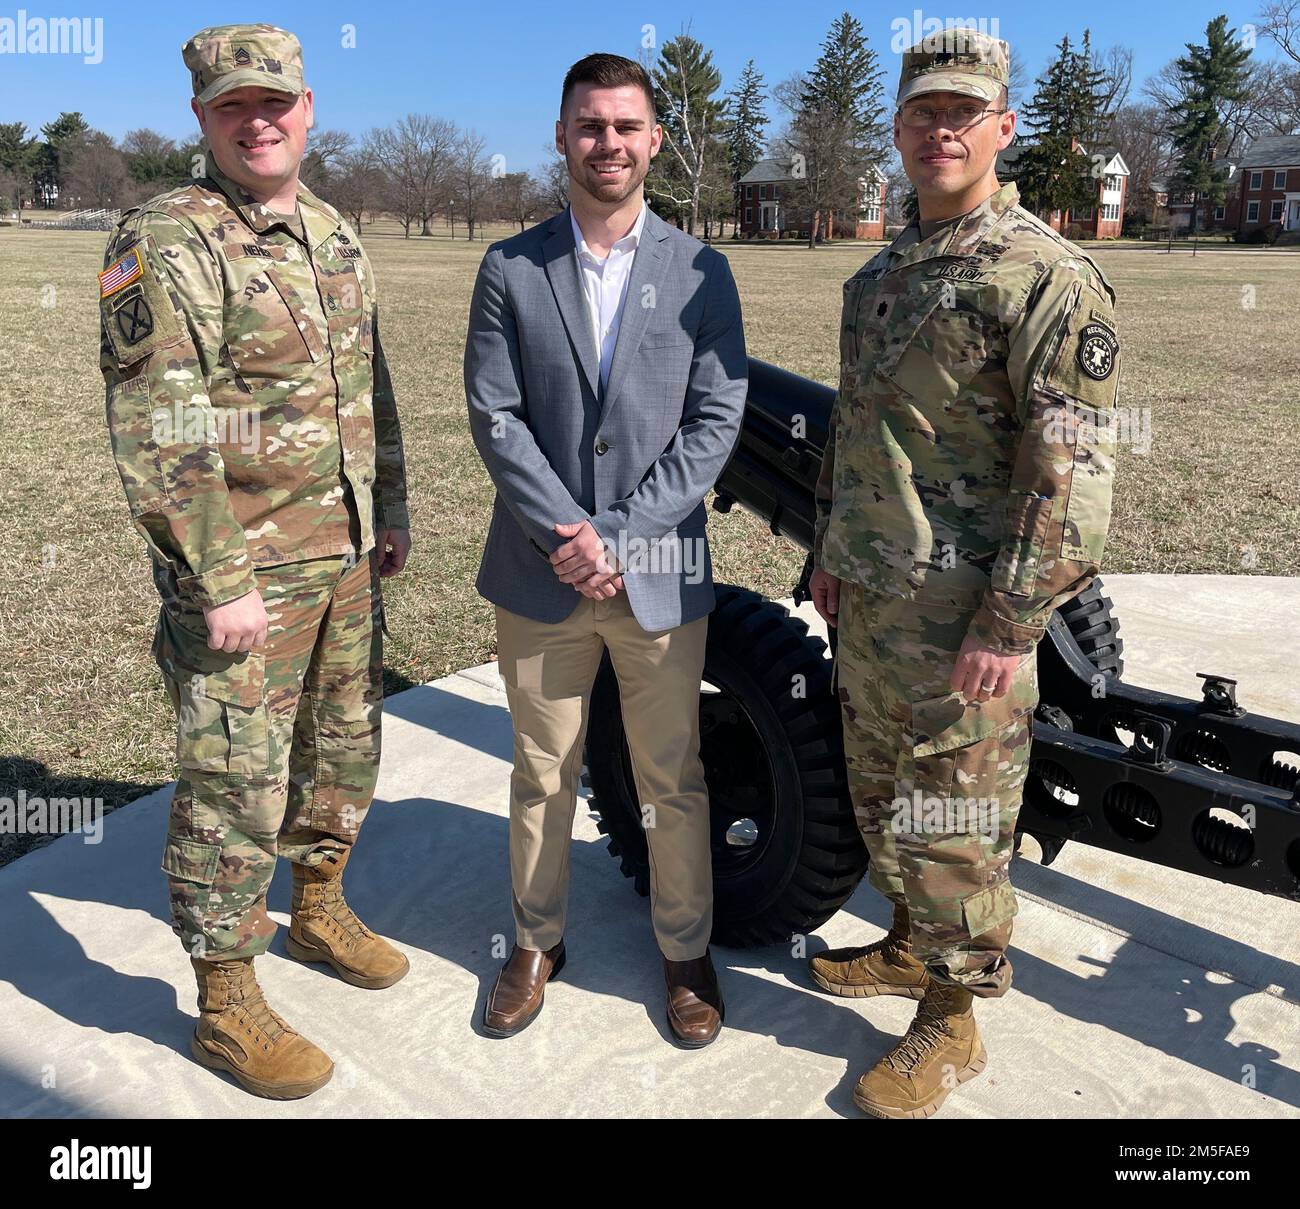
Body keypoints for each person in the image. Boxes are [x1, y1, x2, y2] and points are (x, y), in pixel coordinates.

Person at [806, 29, 1120, 1118]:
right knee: (889, 805)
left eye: (962, 113)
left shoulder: (1042, 274)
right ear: (896, 130)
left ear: (1002, 127)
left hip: (967, 623)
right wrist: (829, 556)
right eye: (921, 113)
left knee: (956, 824)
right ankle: (908, 949)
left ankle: (951, 1021)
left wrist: (1009, 621)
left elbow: (1069, 475)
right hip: (877, 607)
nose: (941, 130)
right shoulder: (879, 275)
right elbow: (855, 433)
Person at [98, 23, 410, 1099]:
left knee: (343, 747)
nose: (259, 120)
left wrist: (392, 509)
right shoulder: (165, 237)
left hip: (346, 554)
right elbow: (157, 426)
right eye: (234, 106)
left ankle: (316, 907)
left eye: (275, 101)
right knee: (234, 779)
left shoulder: (330, 230)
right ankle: (224, 999)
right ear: (203, 119)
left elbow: (369, 382)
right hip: (247, 578)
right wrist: (216, 578)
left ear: (308, 108)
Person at [465, 53, 747, 1047]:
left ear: (654, 139)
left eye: (626, 126)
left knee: (670, 776)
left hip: (659, 570)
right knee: (542, 768)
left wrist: (621, 536)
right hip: (537, 572)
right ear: (561, 135)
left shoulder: (702, 272)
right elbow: (495, 414)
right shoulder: (509, 267)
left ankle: (683, 953)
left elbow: (716, 417)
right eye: (590, 125)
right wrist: (570, 537)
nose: (608, 143)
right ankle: (536, 943)